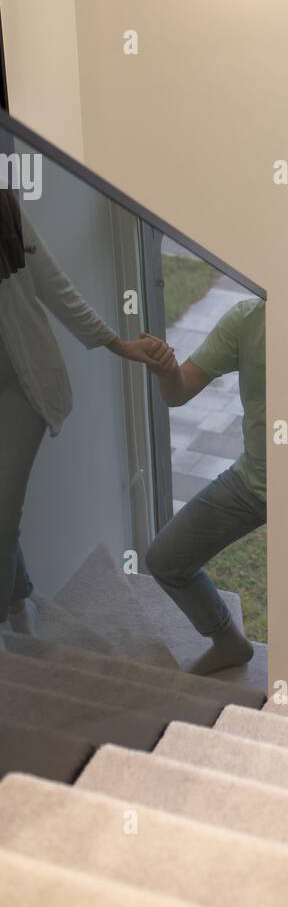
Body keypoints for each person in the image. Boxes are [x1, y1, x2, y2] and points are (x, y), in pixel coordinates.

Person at [0, 190, 168, 636]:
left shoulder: (4, 207)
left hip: (22, 386)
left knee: (2, 511)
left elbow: (53, 283)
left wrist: (118, 343)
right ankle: (19, 600)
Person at [143, 296, 265, 675]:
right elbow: (178, 393)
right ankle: (227, 640)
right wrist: (165, 370)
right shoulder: (247, 319)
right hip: (253, 482)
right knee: (165, 559)